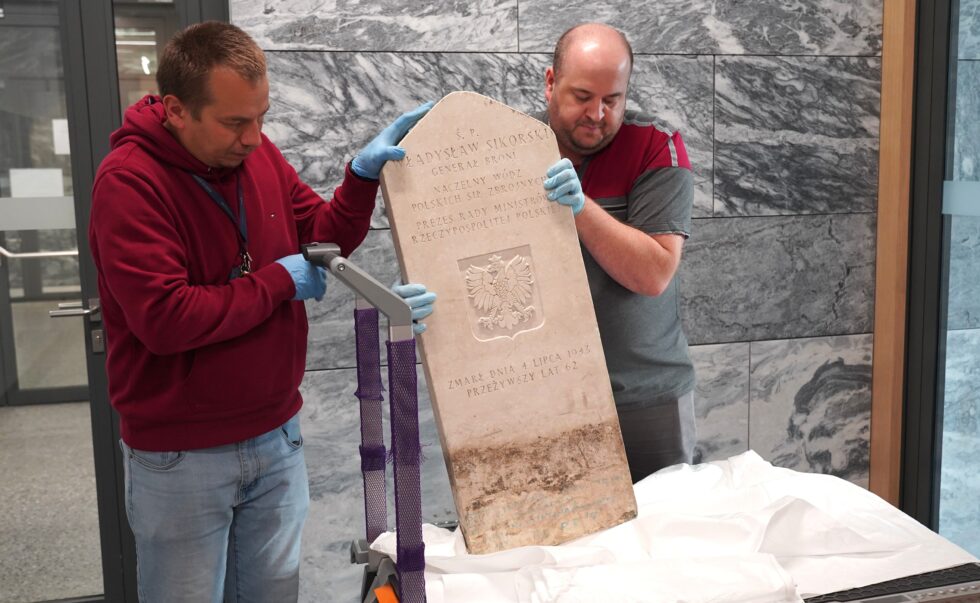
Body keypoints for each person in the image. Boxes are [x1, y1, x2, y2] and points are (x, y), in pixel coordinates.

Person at [89, 21, 432, 602]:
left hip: (277, 438)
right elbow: (166, 319)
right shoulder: (128, 184)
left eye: (262, 117)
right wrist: (276, 283)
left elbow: (322, 236)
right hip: (182, 456)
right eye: (234, 122)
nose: (253, 137)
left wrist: (359, 176)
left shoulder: (259, 156)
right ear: (175, 110)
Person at [539, 23, 697, 482]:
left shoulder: (654, 146)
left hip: (649, 400)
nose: (598, 114)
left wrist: (579, 208)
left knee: (665, 542)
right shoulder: (515, 147)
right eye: (583, 96)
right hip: (547, 398)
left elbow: (653, 274)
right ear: (551, 82)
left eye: (612, 100)